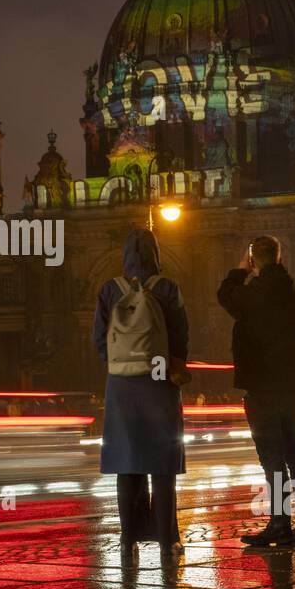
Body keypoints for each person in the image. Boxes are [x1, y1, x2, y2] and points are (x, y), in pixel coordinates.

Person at [92, 228, 189, 561]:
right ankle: (167, 542)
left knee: (127, 465)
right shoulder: (166, 288)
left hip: (121, 387)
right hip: (159, 383)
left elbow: (98, 340)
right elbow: (180, 337)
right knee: (162, 466)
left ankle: (127, 541)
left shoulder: (109, 289)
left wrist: (121, 366)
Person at [217, 235, 295, 545]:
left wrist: (239, 270)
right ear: (280, 257)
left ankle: (279, 523)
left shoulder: (251, 295)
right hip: (291, 386)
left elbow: (224, 295)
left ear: (253, 260)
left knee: (272, 458)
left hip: (262, 386)